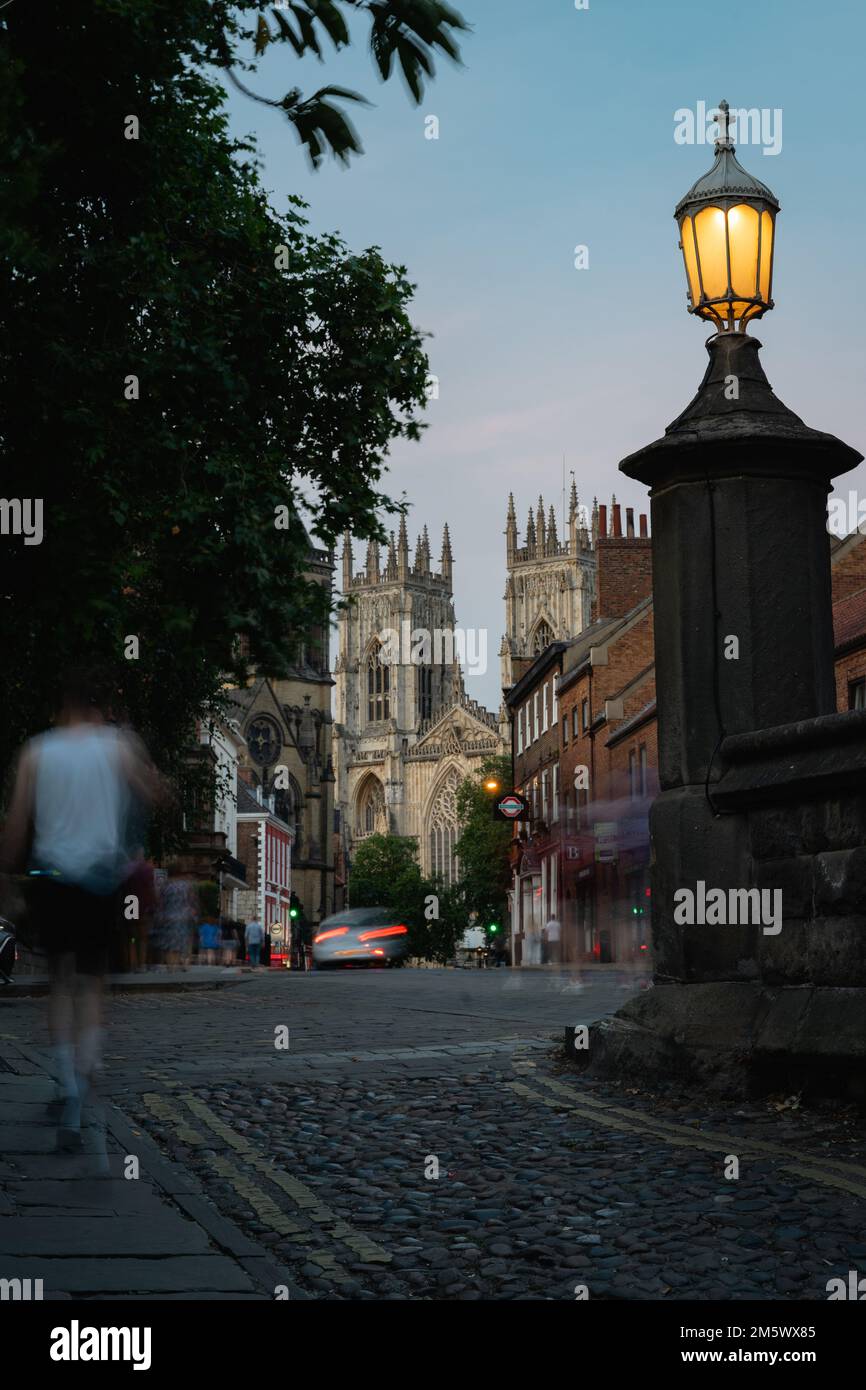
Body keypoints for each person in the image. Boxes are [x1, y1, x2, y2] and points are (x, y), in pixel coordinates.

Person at [0, 667, 160, 1160]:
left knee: (60, 982)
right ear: (97, 708)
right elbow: (156, 792)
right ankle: (87, 1076)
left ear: (58, 708)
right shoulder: (116, 747)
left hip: (52, 880)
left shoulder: (36, 751)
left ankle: (67, 1084)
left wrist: (6, 880)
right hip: (99, 879)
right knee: (91, 985)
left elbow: (15, 824)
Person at [154, 867, 197, 971]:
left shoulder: (166, 886)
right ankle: (177, 964)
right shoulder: (185, 886)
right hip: (182, 918)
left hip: (168, 917)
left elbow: (160, 902)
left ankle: (170, 966)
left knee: (169, 944)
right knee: (179, 942)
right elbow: (191, 900)